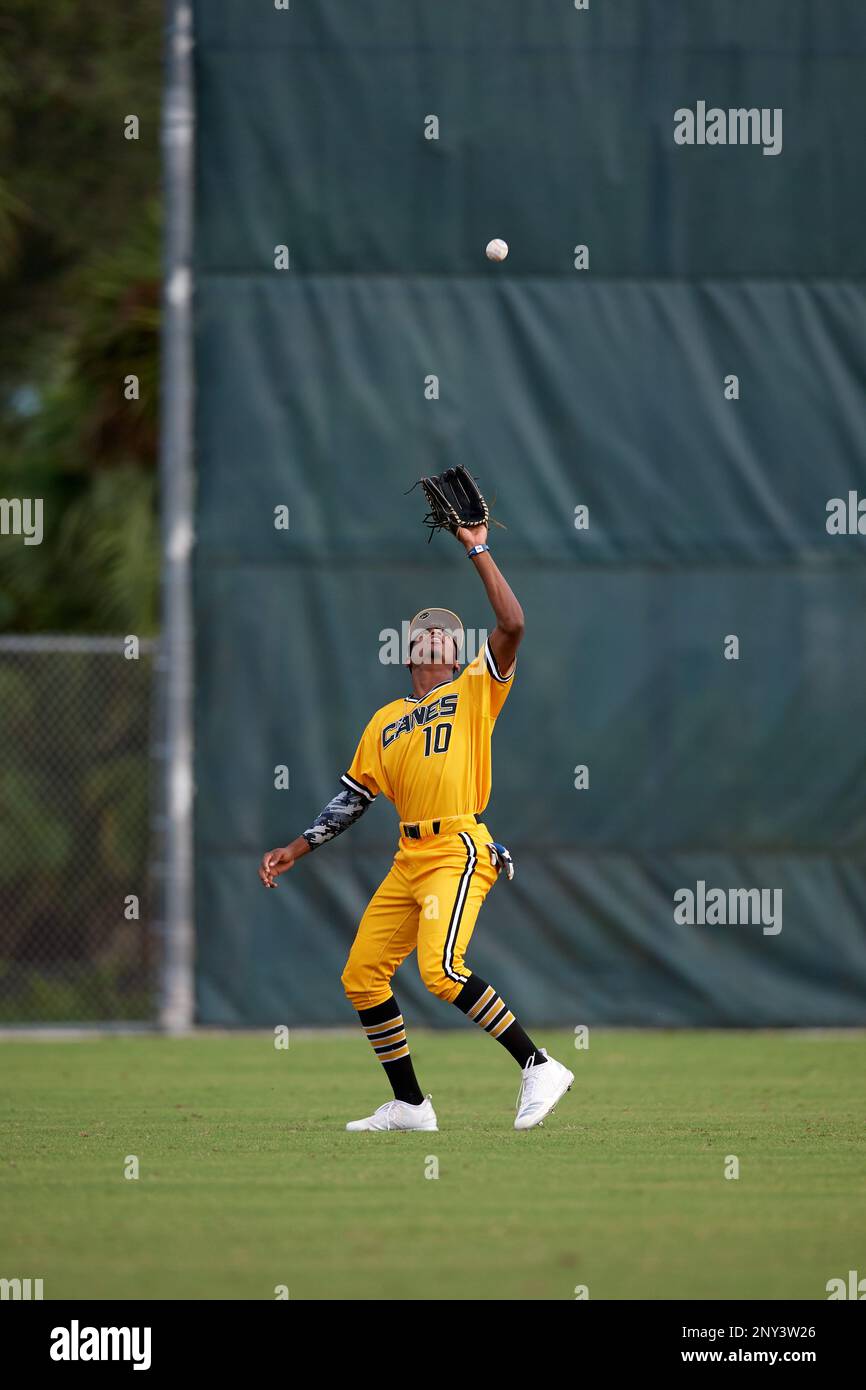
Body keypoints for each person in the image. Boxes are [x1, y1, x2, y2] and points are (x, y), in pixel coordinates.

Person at [259, 519, 574, 1131]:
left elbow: (514, 625)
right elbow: (351, 799)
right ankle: (410, 1105)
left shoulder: (477, 688)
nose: (434, 637)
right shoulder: (385, 722)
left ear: (456, 653)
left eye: (445, 633)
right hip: (409, 859)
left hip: (458, 846)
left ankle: (539, 1065)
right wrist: (297, 848)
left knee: (441, 969)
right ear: (408, 651)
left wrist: (477, 550)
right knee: (361, 975)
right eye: (423, 632)